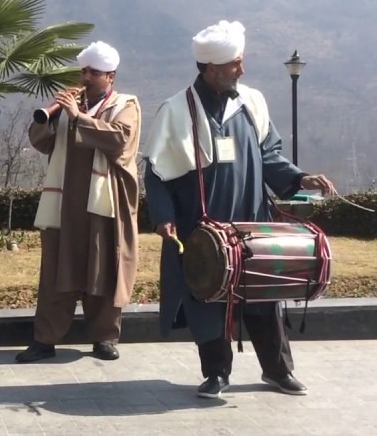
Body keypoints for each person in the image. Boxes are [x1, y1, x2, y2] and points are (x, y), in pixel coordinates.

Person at [141, 20, 336, 399]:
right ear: (212, 69)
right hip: (201, 231)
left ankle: (278, 370)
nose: (242, 70)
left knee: (264, 297)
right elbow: (157, 174)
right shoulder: (177, 110)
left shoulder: (252, 102)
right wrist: (163, 218)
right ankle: (216, 373)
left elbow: (269, 156)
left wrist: (301, 179)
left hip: (252, 227)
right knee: (206, 300)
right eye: (235, 64)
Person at [16, 41, 142, 363]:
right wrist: (48, 116)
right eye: (84, 70)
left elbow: (119, 139)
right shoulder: (70, 105)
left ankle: (104, 338)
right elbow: (41, 142)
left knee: (102, 269)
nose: (86, 77)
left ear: (110, 76)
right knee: (57, 271)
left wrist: (79, 118)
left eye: (94, 72)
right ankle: (44, 340)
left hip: (103, 204)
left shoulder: (126, 104)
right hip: (64, 203)